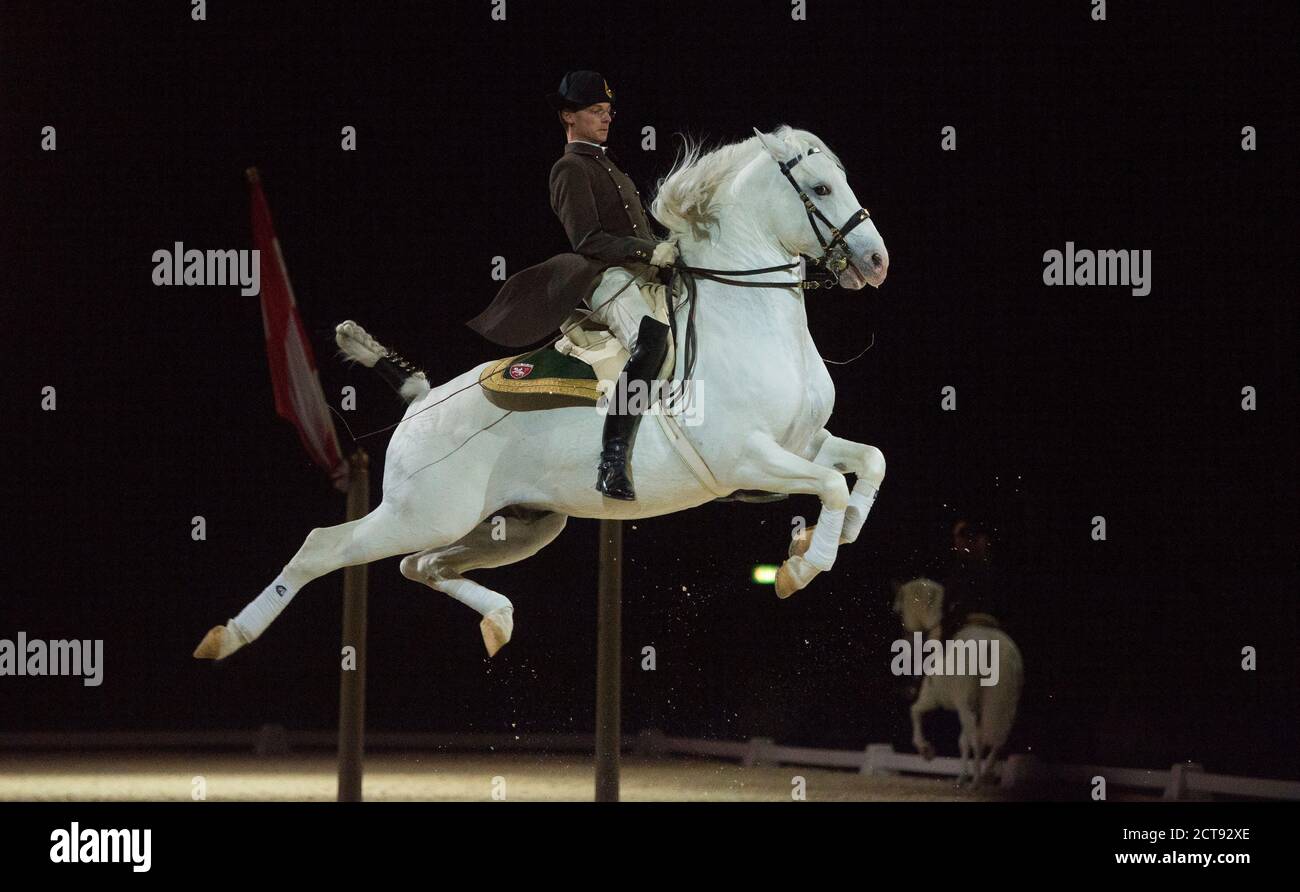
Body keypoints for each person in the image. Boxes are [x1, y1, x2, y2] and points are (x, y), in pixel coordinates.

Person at [466, 70, 678, 501]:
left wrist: (667, 251)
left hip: (638, 273)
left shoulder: (608, 165)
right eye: (595, 112)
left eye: (607, 112)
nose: (606, 119)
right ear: (568, 117)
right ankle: (613, 457)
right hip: (602, 277)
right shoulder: (570, 168)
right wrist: (646, 252)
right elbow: (588, 240)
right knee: (651, 339)